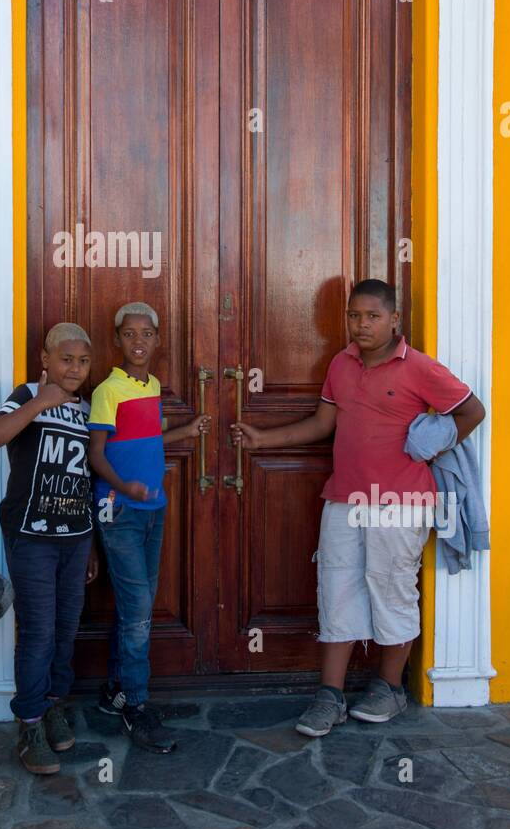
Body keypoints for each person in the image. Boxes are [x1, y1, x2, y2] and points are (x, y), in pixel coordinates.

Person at [232, 279, 485, 736]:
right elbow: (323, 423)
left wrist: (433, 443)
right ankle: (330, 696)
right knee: (336, 589)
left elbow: (473, 411)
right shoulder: (341, 364)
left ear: (393, 320)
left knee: (391, 590)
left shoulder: (420, 368)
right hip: (344, 498)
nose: (362, 324)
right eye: (354, 315)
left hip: (400, 501)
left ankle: (388, 687)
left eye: (372, 315)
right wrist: (263, 438)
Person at [88, 302, 210, 753]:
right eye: (129, 334)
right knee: (138, 607)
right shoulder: (107, 391)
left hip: (152, 507)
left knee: (137, 603)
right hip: (119, 508)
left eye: (147, 334)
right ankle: (136, 706)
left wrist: (187, 431)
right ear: (117, 340)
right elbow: (97, 453)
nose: (138, 342)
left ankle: (115, 691)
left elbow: (145, 439)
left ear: (158, 341)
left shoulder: (153, 385)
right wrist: (126, 488)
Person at [0, 323, 99, 775]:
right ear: (45, 360)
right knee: (38, 629)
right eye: (66, 359)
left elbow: (87, 476)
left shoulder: (87, 409)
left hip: (76, 535)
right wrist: (39, 403)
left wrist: (91, 546)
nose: (74, 368)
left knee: (66, 627)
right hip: (31, 535)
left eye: (83, 361)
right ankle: (29, 721)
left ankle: (53, 703)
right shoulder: (27, 392)